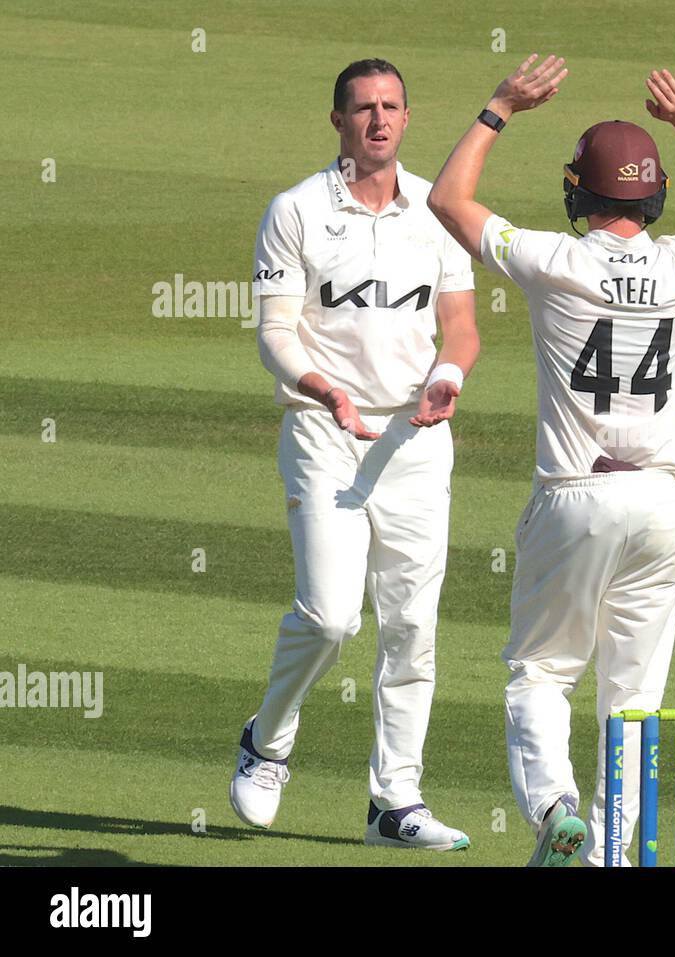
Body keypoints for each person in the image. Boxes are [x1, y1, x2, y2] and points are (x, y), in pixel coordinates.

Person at [428, 57, 675, 865]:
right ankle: (617, 852)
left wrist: (501, 108)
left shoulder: (555, 260)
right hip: (662, 502)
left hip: (576, 493)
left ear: (580, 193)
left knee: (541, 670)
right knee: (636, 700)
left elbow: (447, 199)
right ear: (652, 196)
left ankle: (554, 806)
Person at [230, 58, 479, 852]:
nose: (378, 120)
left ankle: (394, 800)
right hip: (323, 432)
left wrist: (447, 374)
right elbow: (274, 330)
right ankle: (267, 741)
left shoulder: (440, 212)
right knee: (331, 616)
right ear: (337, 120)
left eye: (391, 107)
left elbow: (463, 326)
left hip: (416, 438)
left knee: (412, 624)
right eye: (363, 108)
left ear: (408, 118)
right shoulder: (296, 210)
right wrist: (325, 388)